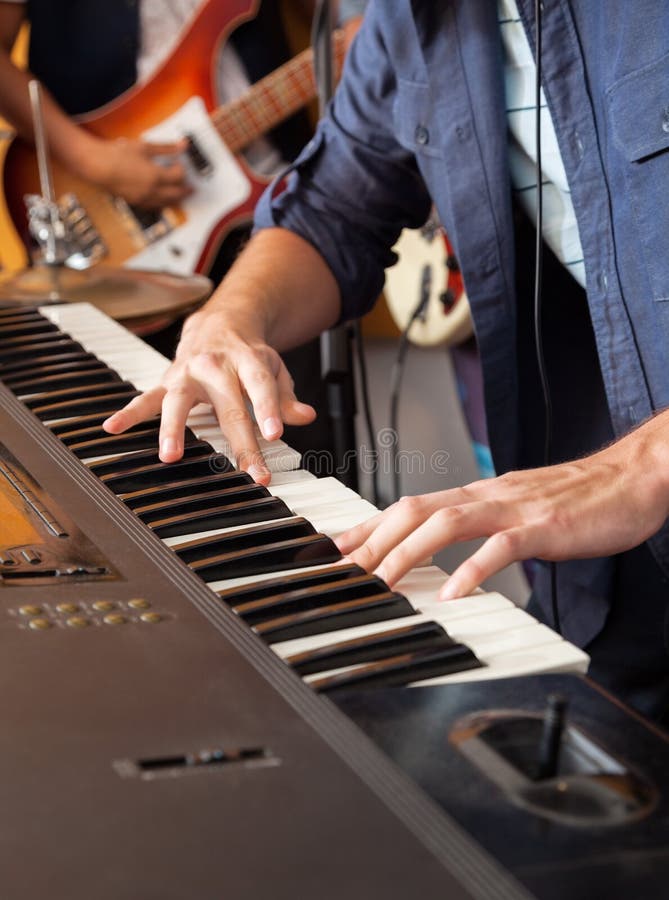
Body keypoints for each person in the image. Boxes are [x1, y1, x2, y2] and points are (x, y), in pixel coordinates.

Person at [103, 0, 669, 723]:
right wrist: (227, 319)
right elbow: (330, 209)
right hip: (611, 561)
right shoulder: (407, 20)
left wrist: (642, 466)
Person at [0, 0, 363, 463]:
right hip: (110, 208)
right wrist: (93, 160)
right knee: (153, 456)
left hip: (274, 206)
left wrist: (365, 30)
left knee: (299, 451)